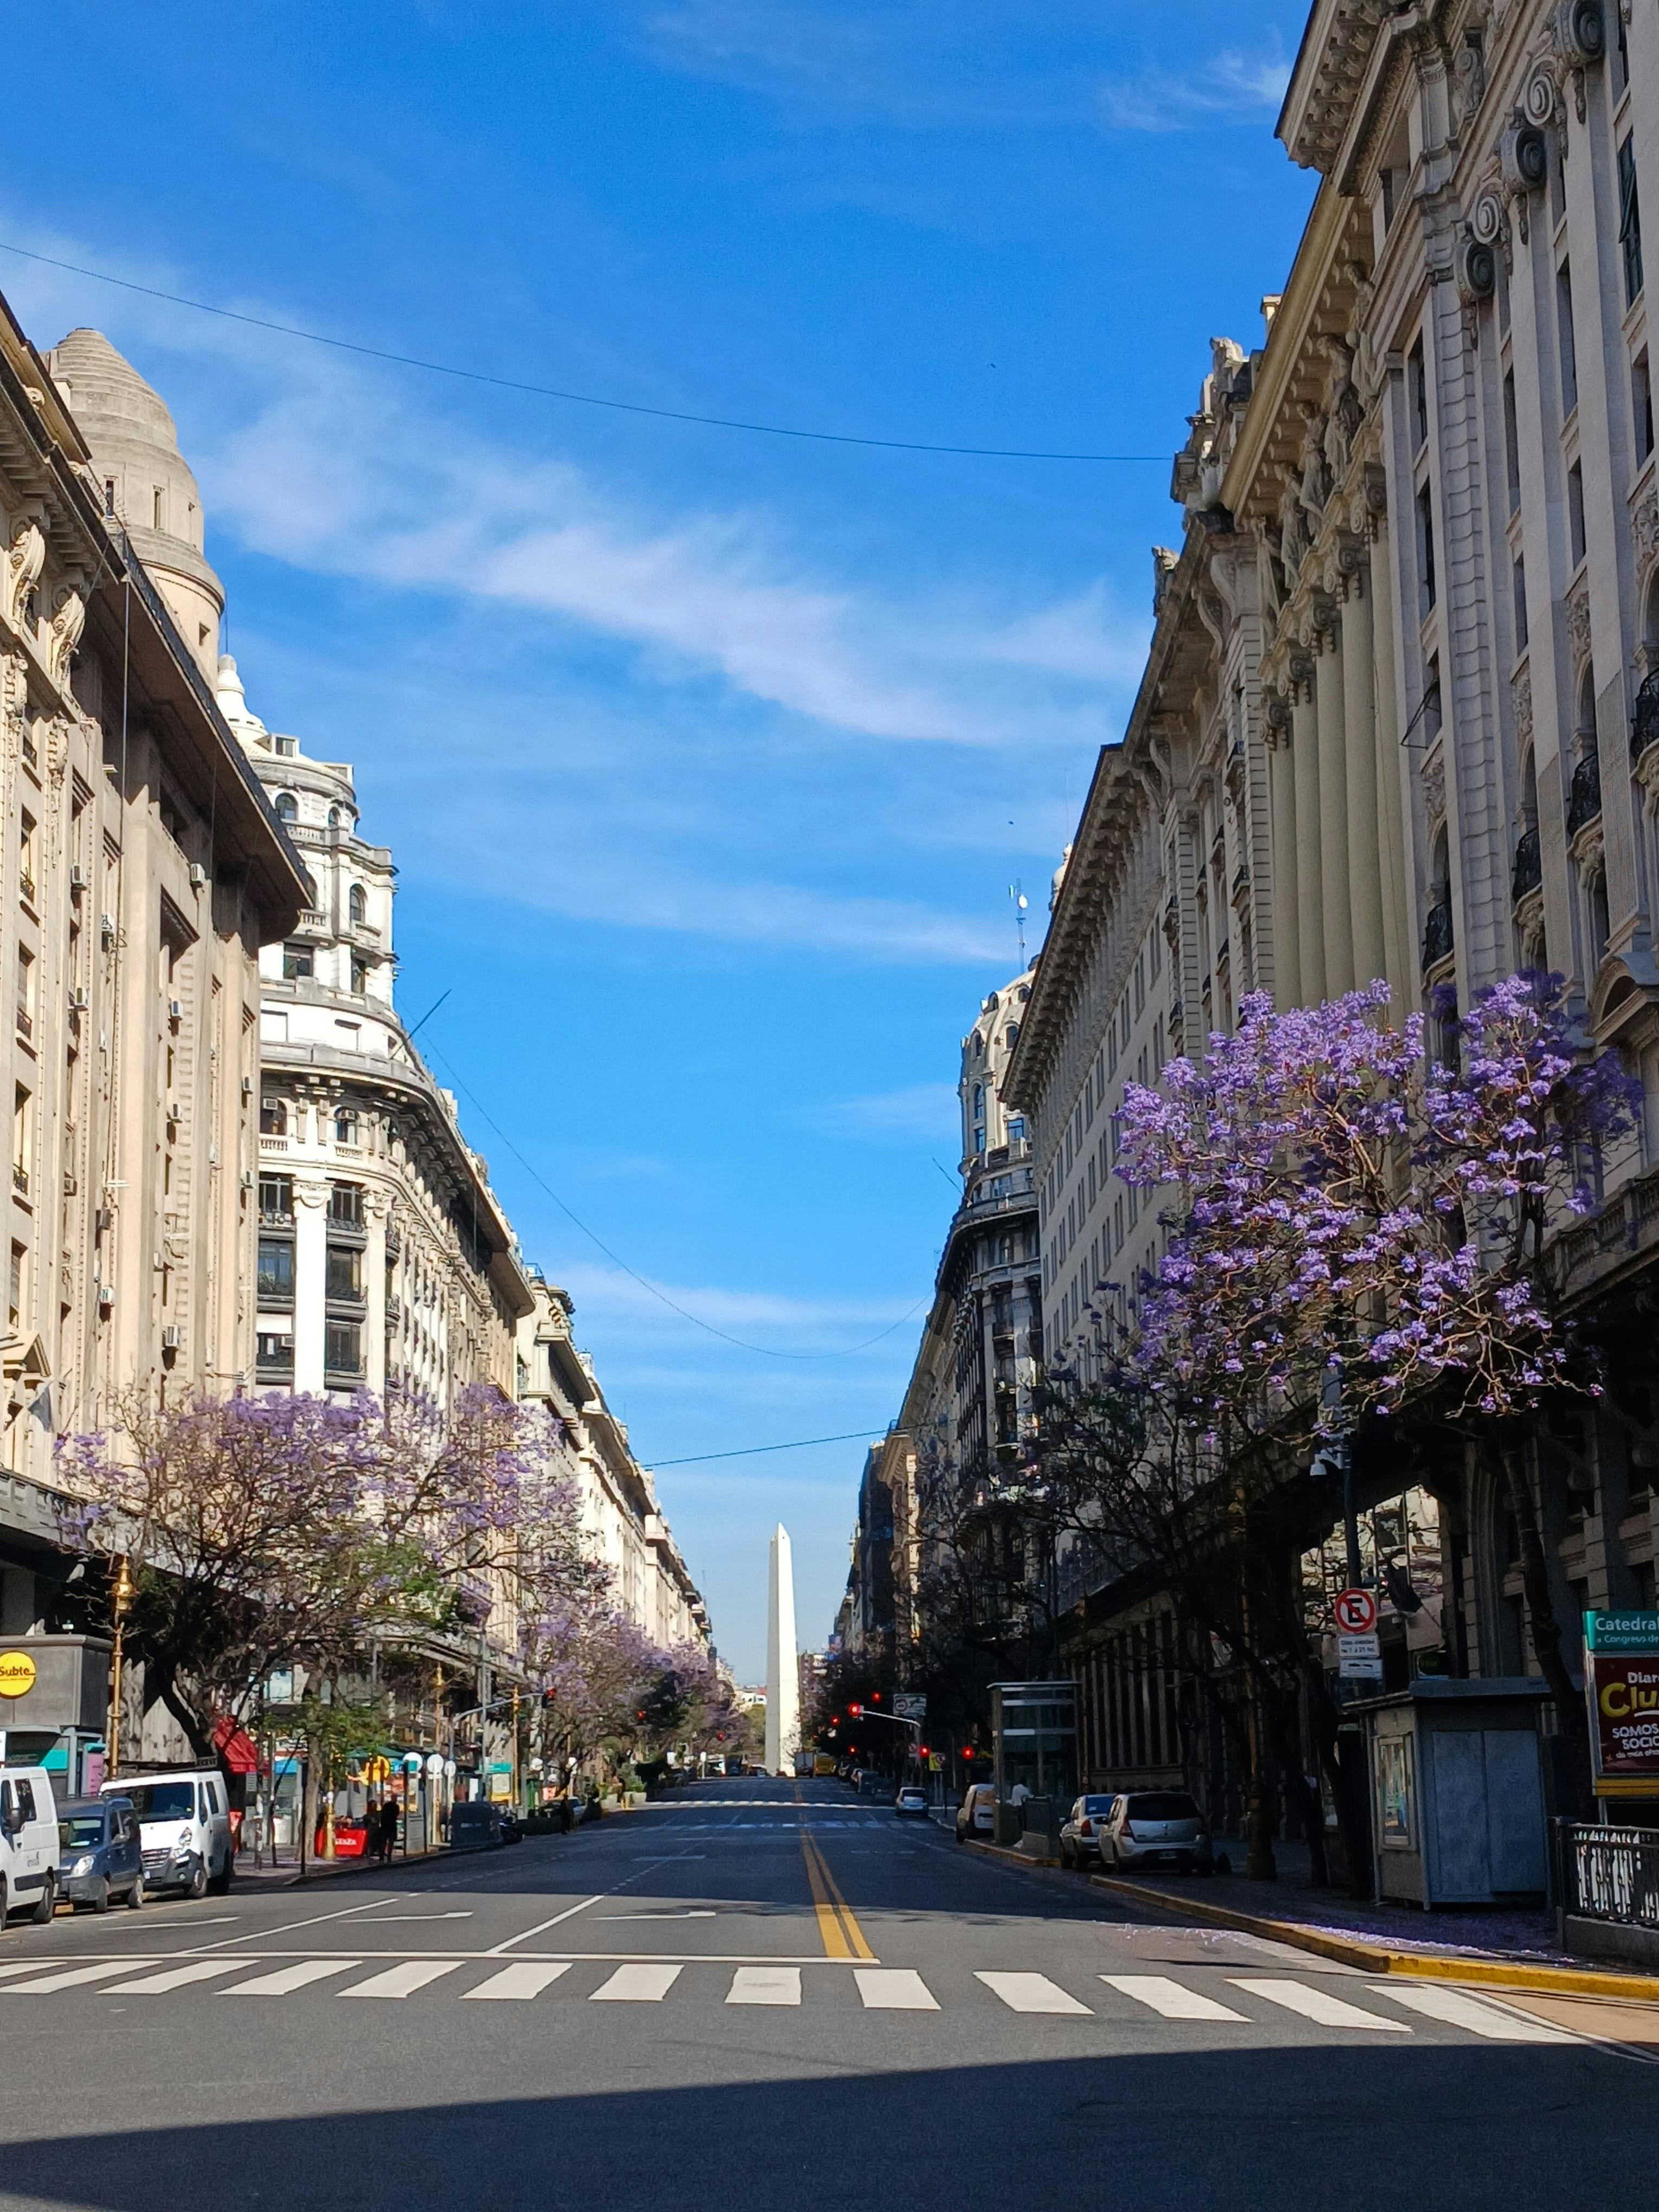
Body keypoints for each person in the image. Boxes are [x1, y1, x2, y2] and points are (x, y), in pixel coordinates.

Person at [377, 1798, 399, 1863]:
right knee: (391, 1842)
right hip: (392, 1826)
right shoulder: (396, 1807)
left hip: (385, 1826)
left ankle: (381, 1857)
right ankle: (389, 1856)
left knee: (383, 1842)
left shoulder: (386, 1806)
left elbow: (382, 1815)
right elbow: (396, 1815)